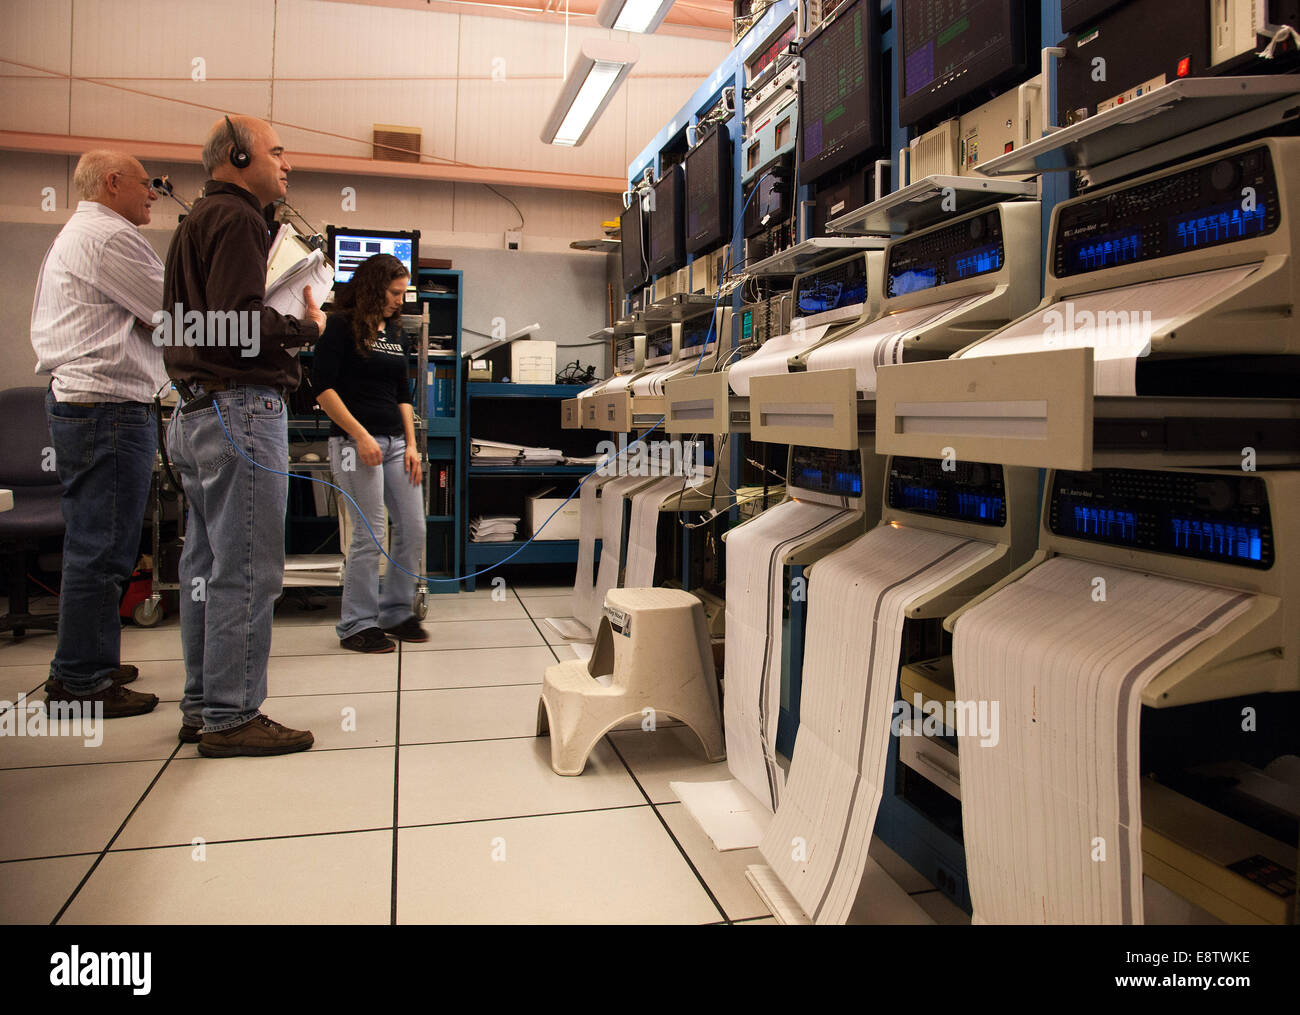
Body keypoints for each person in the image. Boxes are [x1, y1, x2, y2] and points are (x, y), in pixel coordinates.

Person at [163, 114, 324, 758]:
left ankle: (204, 705)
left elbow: (200, 325)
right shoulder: (236, 220)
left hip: (195, 413)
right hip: (242, 411)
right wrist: (306, 327)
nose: (287, 165)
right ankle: (233, 717)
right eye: (277, 153)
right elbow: (237, 324)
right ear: (236, 155)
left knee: (205, 567)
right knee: (250, 569)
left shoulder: (193, 224)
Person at [31, 150, 167, 719]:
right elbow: (174, 314)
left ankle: (90, 660)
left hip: (91, 405)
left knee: (102, 545)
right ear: (112, 183)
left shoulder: (85, 231)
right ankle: (81, 681)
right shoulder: (110, 237)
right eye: (146, 184)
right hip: (106, 409)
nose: (154, 194)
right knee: (103, 550)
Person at [313, 254, 428, 652]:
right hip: (353, 444)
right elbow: (323, 389)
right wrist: (360, 436)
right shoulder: (341, 326)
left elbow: (402, 394)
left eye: (403, 293)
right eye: (395, 292)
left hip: (397, 444)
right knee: (370, 533)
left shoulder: (396, 332)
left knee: (413, 528)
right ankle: (356, 624)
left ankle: (395, 611)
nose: (400, 300)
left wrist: (412, 445)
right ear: (372, 287)